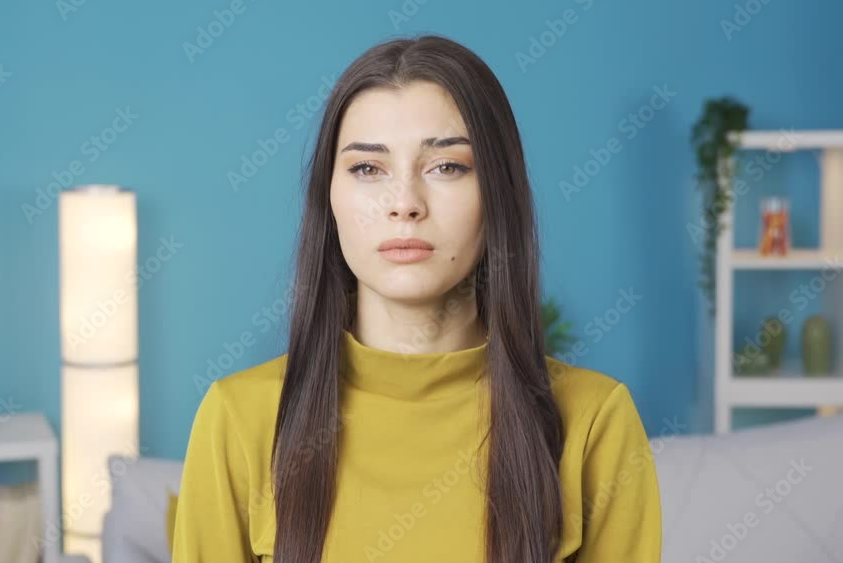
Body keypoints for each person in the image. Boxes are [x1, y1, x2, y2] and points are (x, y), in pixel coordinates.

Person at [172, 34, 661, 563]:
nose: (404, 202)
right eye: (367, 169)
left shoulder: (595, 422)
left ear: (497, 193)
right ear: (328, 198)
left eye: (446, 166)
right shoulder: (238, 419)